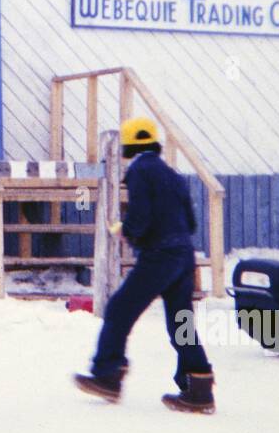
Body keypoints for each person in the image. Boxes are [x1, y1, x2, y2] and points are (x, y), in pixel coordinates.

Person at [73, 116, 215, 414]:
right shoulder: (172, 174)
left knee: (119, 309)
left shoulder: (139, 170)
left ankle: (107, 374)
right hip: (183, 255)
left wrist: (127, 230)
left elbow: (141, 216)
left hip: (159, 256)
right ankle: (199, 385)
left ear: (127, 146)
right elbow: (190, 221)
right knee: (181, 322)